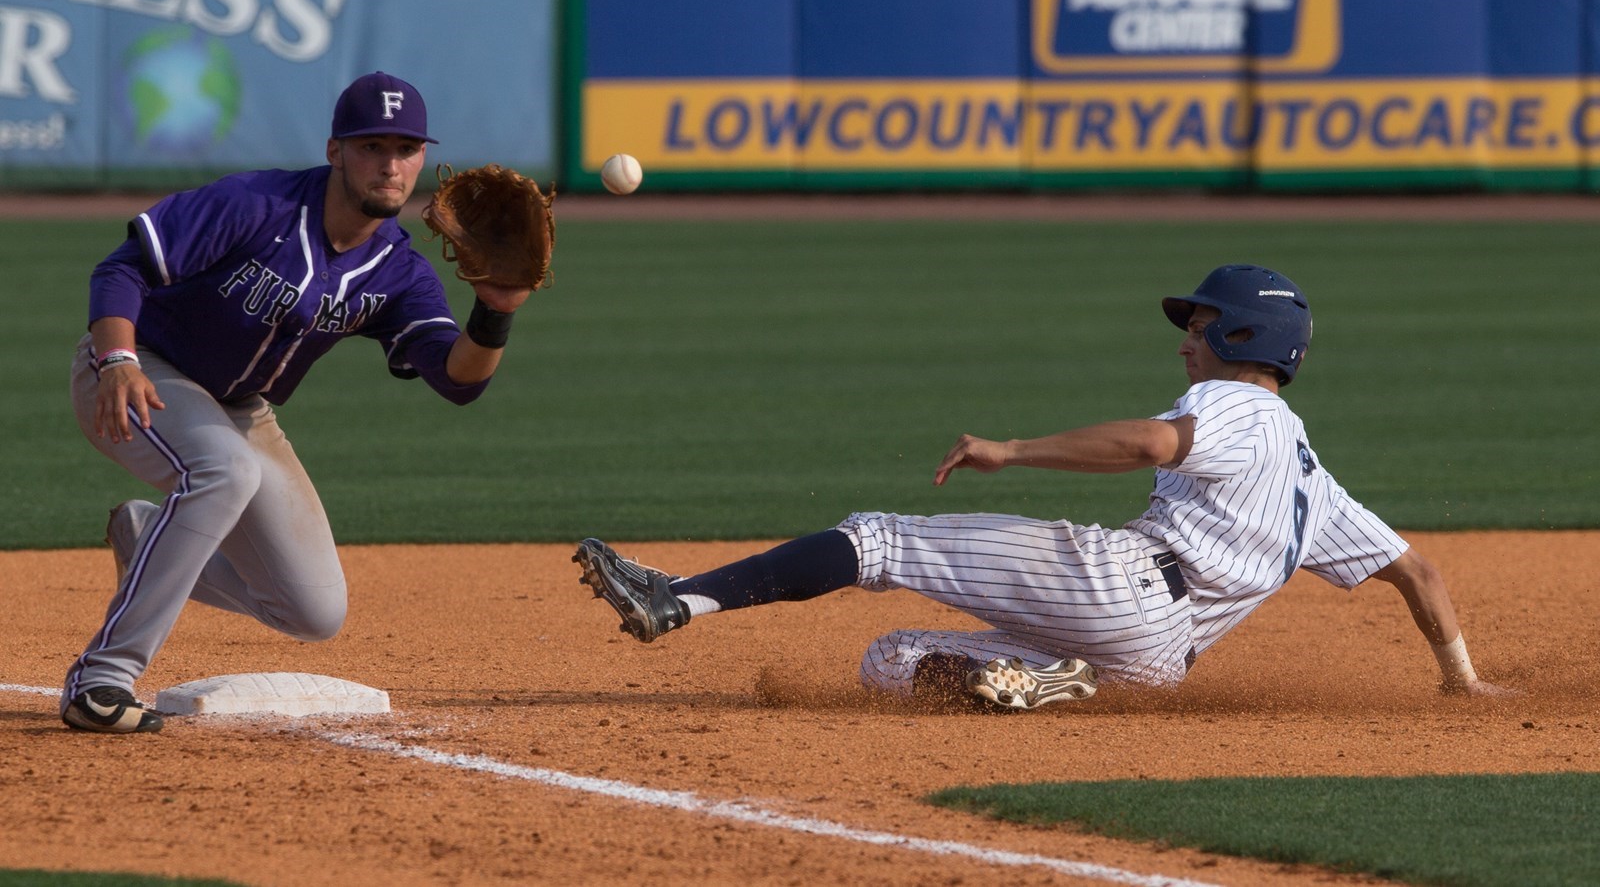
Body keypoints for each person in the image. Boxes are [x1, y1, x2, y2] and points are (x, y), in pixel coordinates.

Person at [574, 264, 1511, 710]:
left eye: (1204, 322)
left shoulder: (1239, 406)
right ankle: (1043, 683)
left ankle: (680, 600)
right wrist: (1461, 683)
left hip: (1130, 586)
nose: (1187, 334)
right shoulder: (1316, 481)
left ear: (1243, 344)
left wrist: (1014, 449)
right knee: (891, 658)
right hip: (1154, 661)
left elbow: (1151, 442)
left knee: (880, 538)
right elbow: (1420, 574)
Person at [62, 71, 535, 734]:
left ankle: (148, 534)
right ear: (335, 150)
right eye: (372, 146)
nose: (390, 163)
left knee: (313, 610)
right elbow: (124, 267)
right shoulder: (256, 203)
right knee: (226, 470)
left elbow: (458, 378)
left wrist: (495, 310)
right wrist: (117, 360)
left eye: (405, 148)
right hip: (138, 370)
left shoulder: (398, 271)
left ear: (421, 158)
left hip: (239, 408)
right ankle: (101, 679)